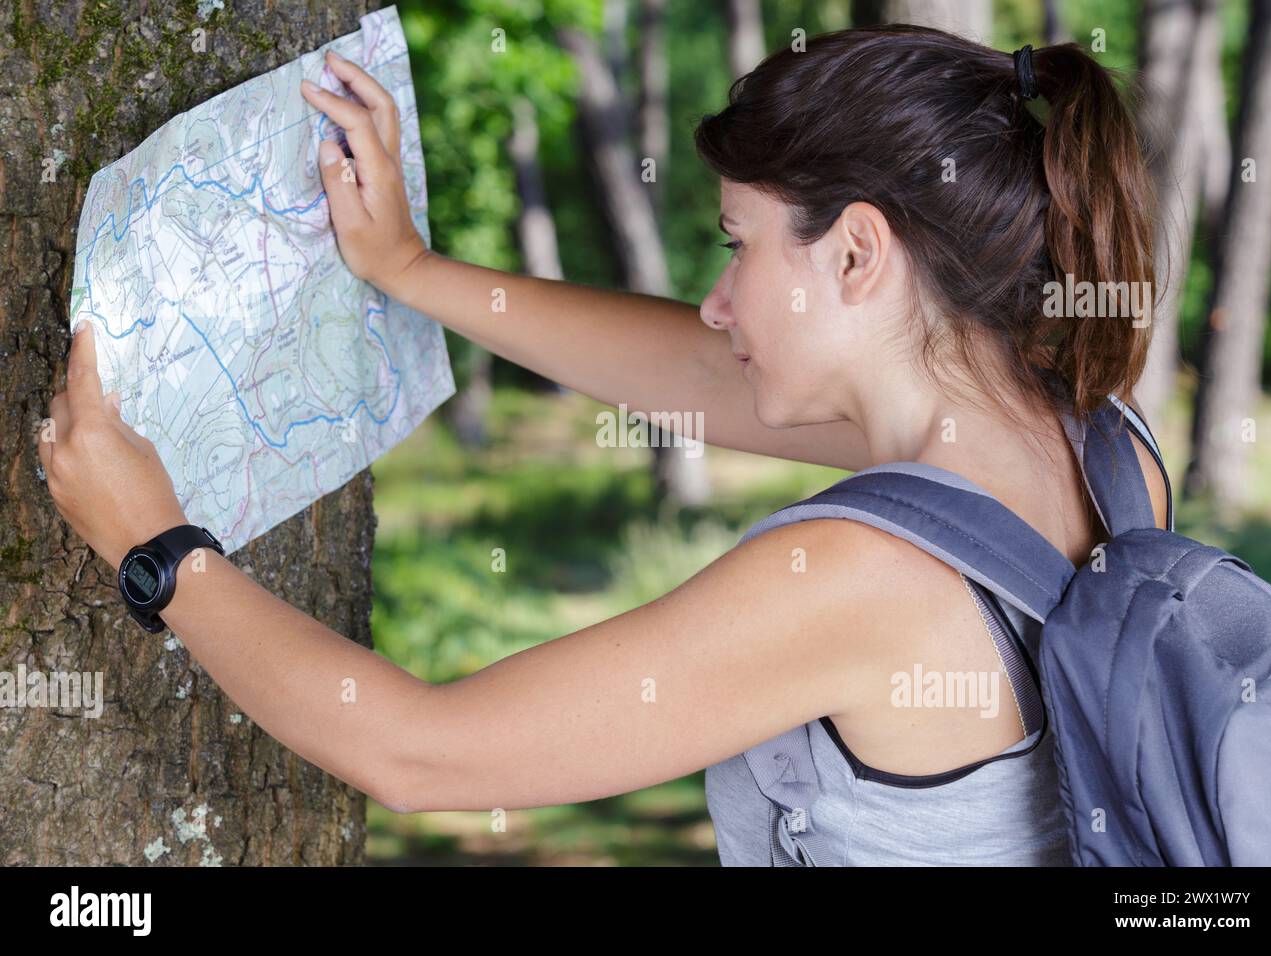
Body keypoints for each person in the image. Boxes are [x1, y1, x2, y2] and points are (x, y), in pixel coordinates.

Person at [39, 26, 1167, 865]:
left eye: (739, 244)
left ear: (858, 255)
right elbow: (692, 373)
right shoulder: (1098, 448)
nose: (720, 302)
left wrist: (157, 547)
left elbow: (423, 751)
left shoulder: (868, 584)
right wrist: (410, 272)